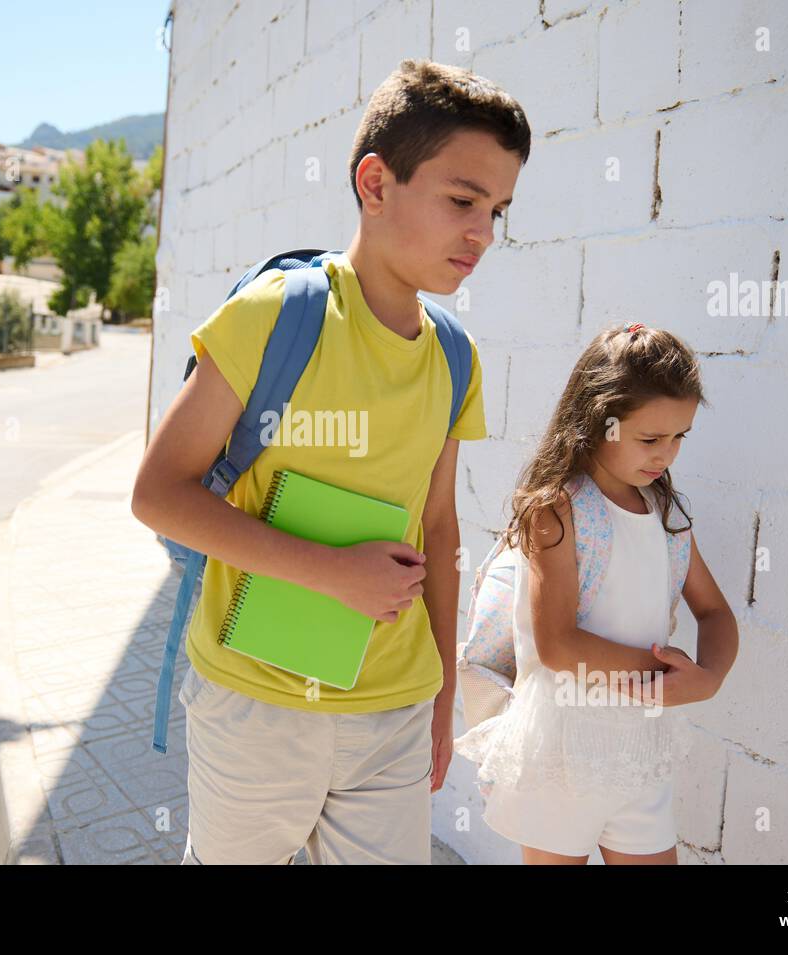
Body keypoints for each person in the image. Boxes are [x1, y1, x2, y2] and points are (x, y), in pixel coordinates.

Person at [131, 58, 530, 864]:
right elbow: (158, 493)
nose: (483, 232)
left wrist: (445, 694)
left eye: (498, 209)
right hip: (256, 701)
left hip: (395, 708)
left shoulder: (457, 356)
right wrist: (330, 571)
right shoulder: (277, 315)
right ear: (375, 184)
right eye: (462, 200)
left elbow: (441, 524)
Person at [453, 323, 740, 865]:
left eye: (681, 436)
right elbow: (558, 645)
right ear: (597, 421)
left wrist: (709, 676)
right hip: (559, 755)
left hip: (637, 755)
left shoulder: (666, 514)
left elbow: (715, 610)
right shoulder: (557, 509)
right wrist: (665, 672)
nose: (667, 455)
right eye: (650, 439)